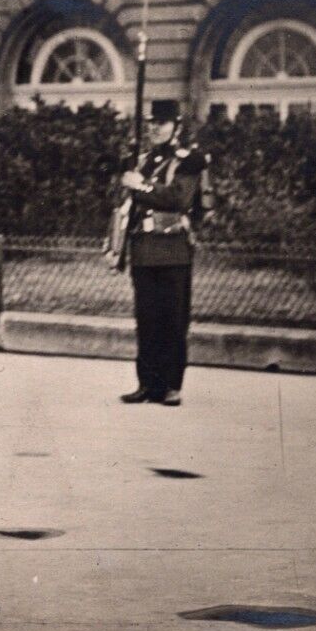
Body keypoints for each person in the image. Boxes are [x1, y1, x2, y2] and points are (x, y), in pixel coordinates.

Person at [111, 99, 206, 407]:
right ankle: (147, 384)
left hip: (173, 249)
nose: (155, 128)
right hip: (144, 249)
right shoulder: (141, 160)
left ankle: (171, 386)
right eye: (151, 123)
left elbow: (178, 198)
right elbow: (124, 200)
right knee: (147, 320)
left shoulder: (188, 160)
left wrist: (141, 188)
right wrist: (129, 183)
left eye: (161, 123)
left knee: (173, 321)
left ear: (176, 126)